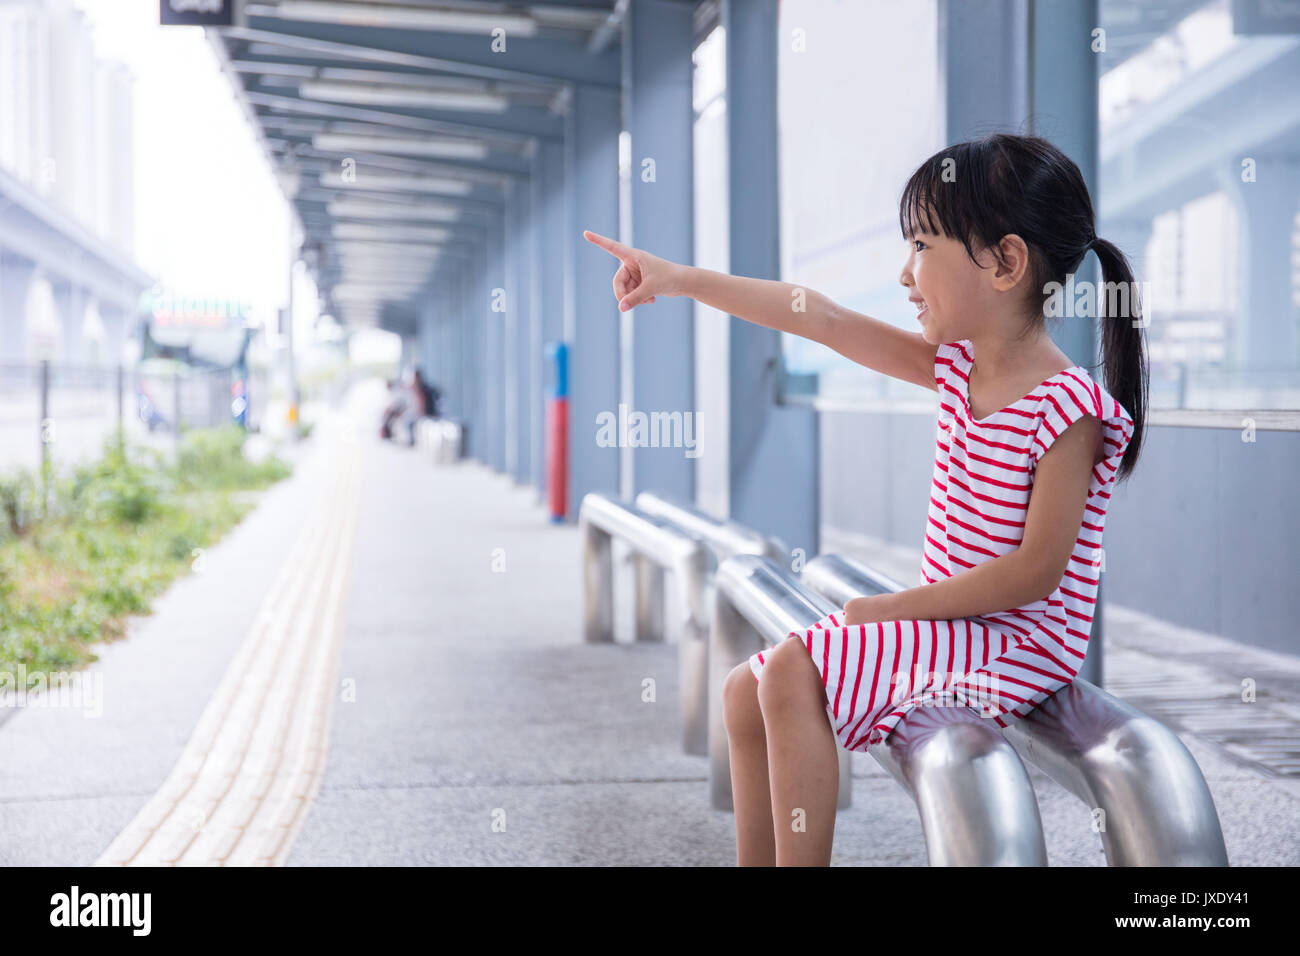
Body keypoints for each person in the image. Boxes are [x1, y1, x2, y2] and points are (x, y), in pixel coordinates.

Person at [584, 132, 1147, 867]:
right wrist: (682, 279)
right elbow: (820, 318)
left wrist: (888, 608)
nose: (906, 274)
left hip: (1019, 642)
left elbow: (1037, 572)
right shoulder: (957, 369)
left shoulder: (1067, 406)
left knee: (789, 672)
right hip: (960, 625)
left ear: (1006, 262)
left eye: (922, 246)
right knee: (738, 694)